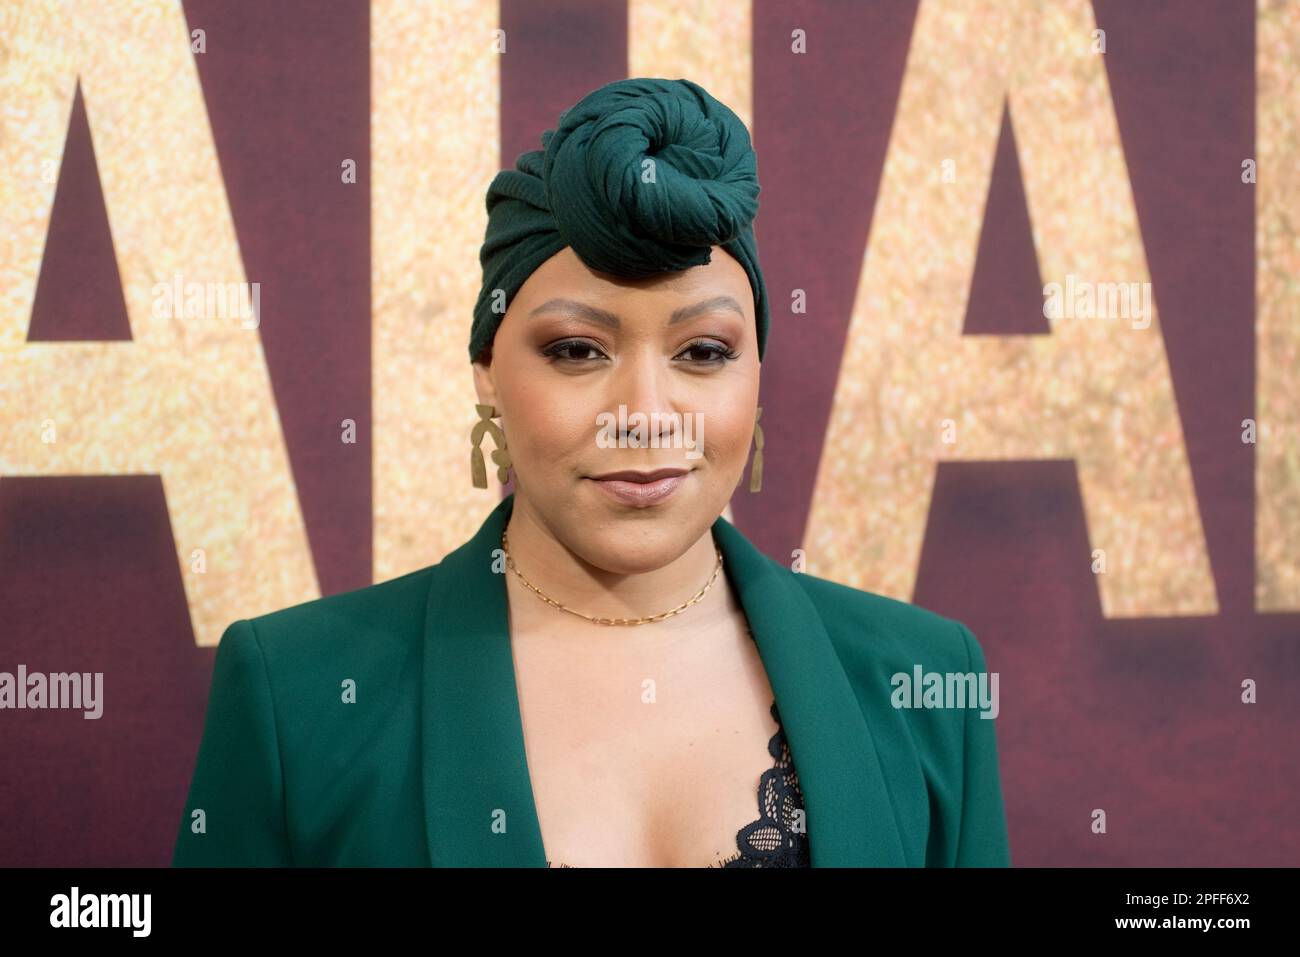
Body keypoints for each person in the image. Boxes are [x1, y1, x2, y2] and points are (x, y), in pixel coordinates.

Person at [172, 77, 1010, 868]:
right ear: (487, 372)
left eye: (703, 352)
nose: (645, 412)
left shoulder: (925, 683)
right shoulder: (298, 696)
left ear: (755, 377)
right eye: (577, 350)